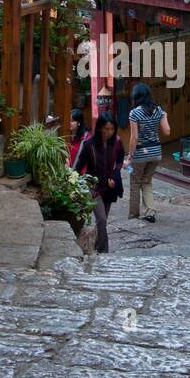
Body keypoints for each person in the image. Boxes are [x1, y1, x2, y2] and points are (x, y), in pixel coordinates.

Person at [74, 112, 125, 253]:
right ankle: (104, 252)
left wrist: (114, 176)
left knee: (102, 222)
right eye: (107, 129)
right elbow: (79, 165)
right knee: (101, 219)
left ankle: (96, 245)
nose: (110, 132)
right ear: (100, 128)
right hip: (93, 187)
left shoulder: (117, 142)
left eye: (112, 129)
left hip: (109, 188)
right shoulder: (90, 145)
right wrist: (76, 183)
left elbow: (120, 160)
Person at [123, 82, 170, 222]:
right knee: (147, 181)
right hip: (156, 153)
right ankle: (150, 212)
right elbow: (167, 131)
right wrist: (165, 116)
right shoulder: (159, 111)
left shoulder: (134, 113)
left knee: (135, 183)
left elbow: (134, 137)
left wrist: (129, 156)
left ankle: (133, 215)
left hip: (140, 154)